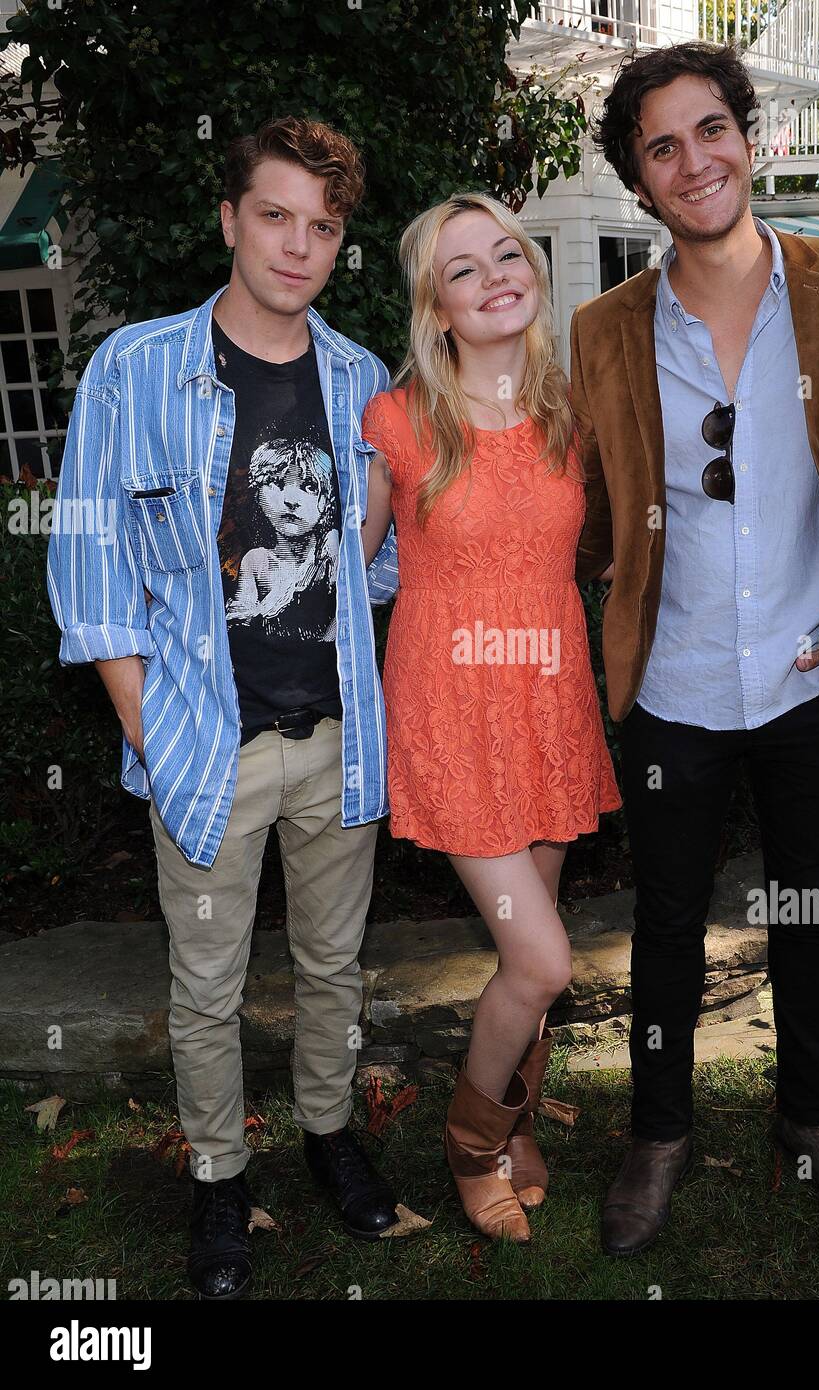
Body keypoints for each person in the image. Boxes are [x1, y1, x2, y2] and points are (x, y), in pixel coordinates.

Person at [571, 42, 819, 1256]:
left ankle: (814, 1122)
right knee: (667, 924)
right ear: (640, 182)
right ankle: (658, 1135)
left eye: (711, 130)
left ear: (752, 136)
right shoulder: (603, 332)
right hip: (673, 685)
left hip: (811, 671)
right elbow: (584, 515)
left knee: (810, 910)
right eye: (662, 146)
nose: (695, 162)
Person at [47, 116, 402, 1300]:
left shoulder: (361, 382)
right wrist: (159, 731)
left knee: (335, 968)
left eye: (322, 225)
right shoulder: (134, 370)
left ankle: (330, 1136)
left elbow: (376, 569)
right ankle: (216, 1178)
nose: (297, 245)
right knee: (204, 987)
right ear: (229, 220)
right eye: (275, 215)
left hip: (340, 742)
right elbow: (93, 576)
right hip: (208, 743)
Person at [359, 191, 621, 1243]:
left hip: (551, 707)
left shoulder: (568, 410)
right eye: (462, 269)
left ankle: (514, 1127)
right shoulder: (399, 420)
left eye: (506, 253)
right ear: (437, 307)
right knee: (543, 960)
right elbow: (333, 575)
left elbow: (599, 551)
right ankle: (472, 1146)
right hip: (452, 717)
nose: (493, 276)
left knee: (533, 955)